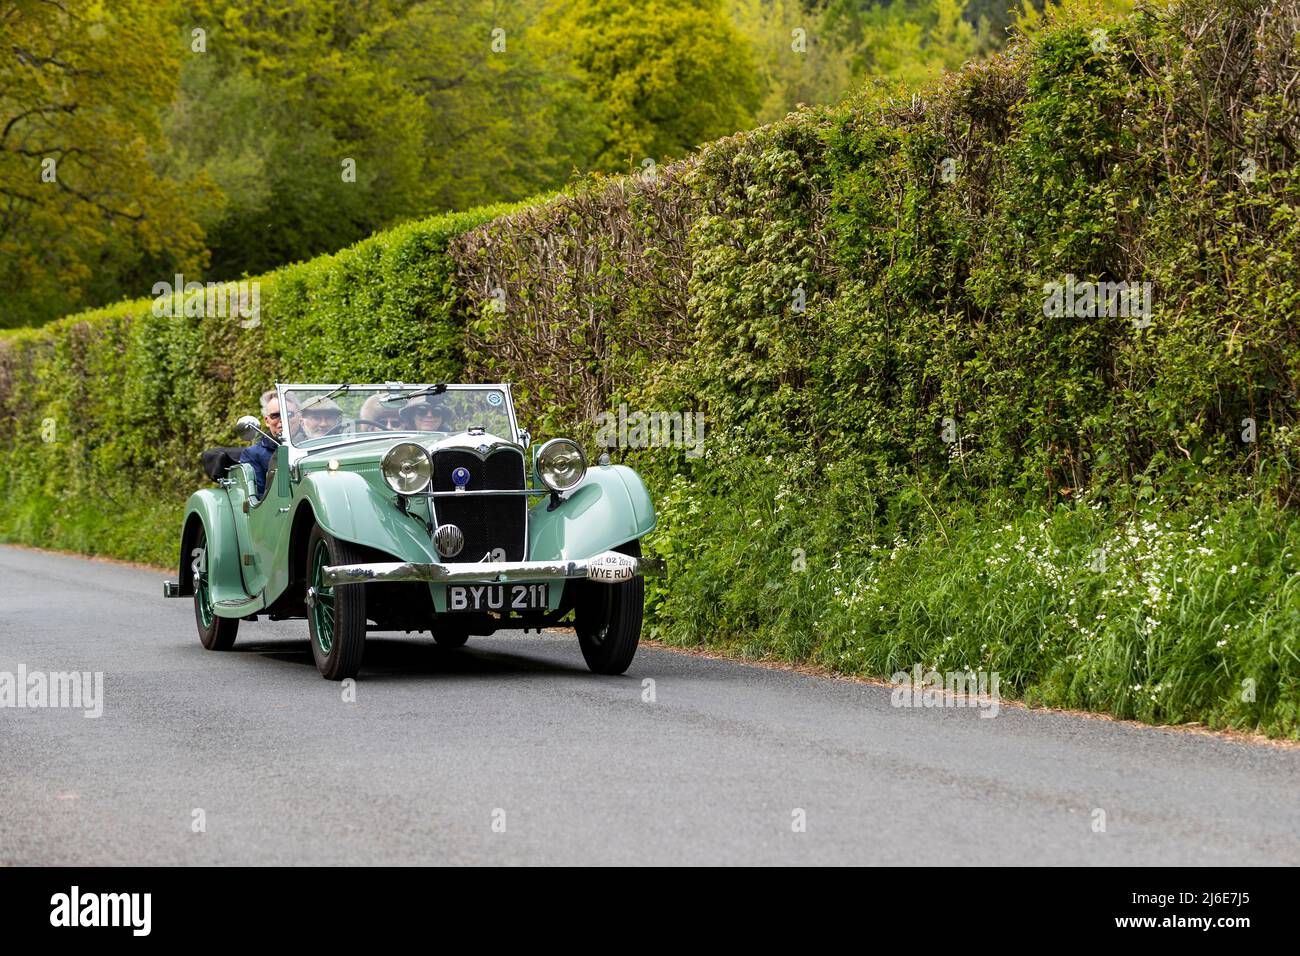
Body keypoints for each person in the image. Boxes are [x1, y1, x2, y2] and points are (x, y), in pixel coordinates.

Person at [239, 389, 282, 497]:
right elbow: (259, 499)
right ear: (267, 421)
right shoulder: (253, 455)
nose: (282, 420)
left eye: (289, 414)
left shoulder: (310, 443)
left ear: (299, 417)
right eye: (275, 416)